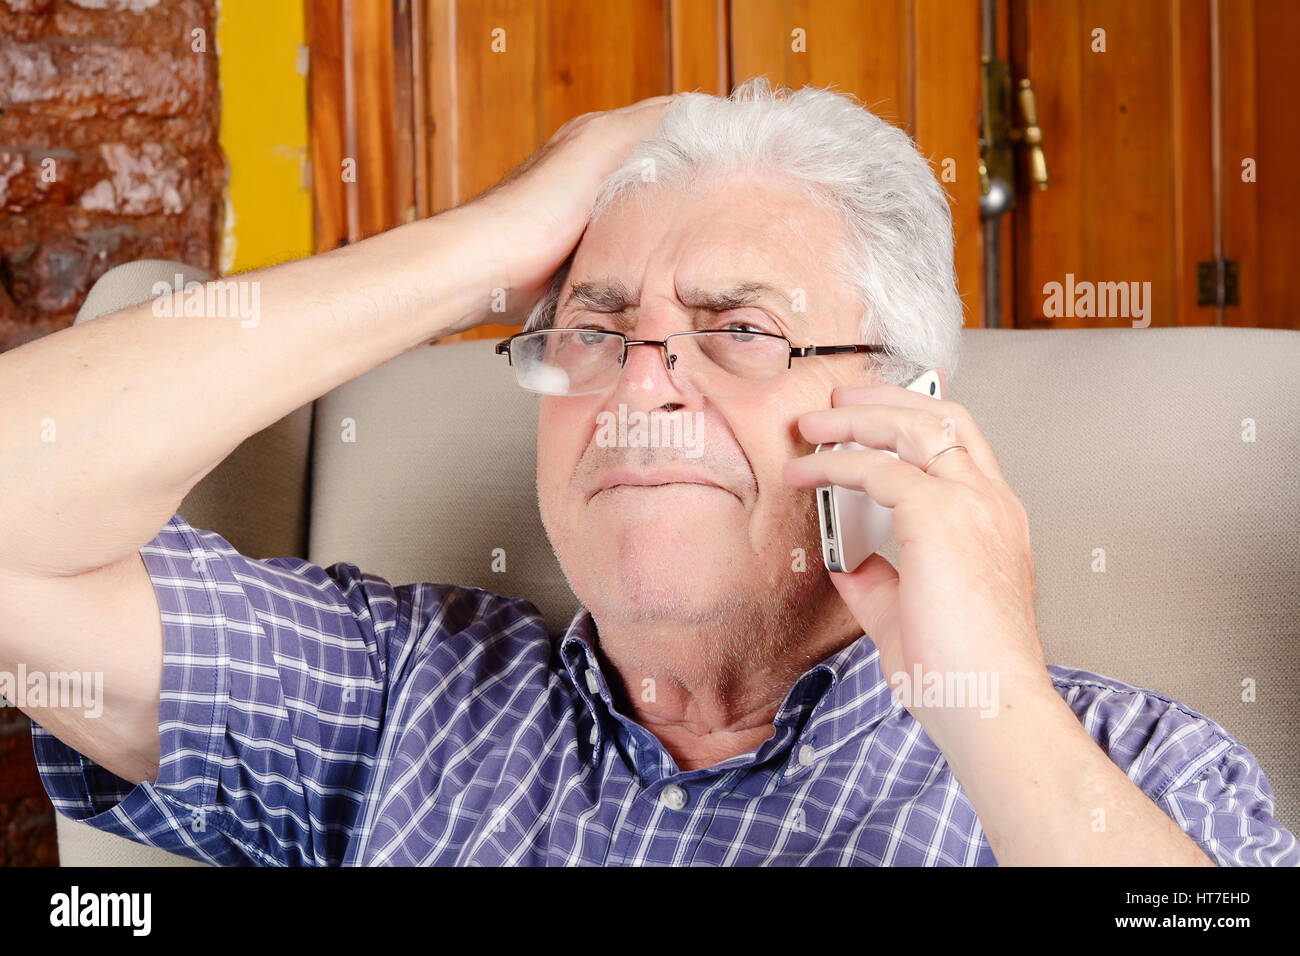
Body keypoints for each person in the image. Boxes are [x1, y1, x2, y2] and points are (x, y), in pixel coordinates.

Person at [2, 79, 1294, 865]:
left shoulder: (1141, 770)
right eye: (596, 332)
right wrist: (486, 240)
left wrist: (992, 697)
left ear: (900, 413)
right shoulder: (395, 696)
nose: (639, 385)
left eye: (740, 330)